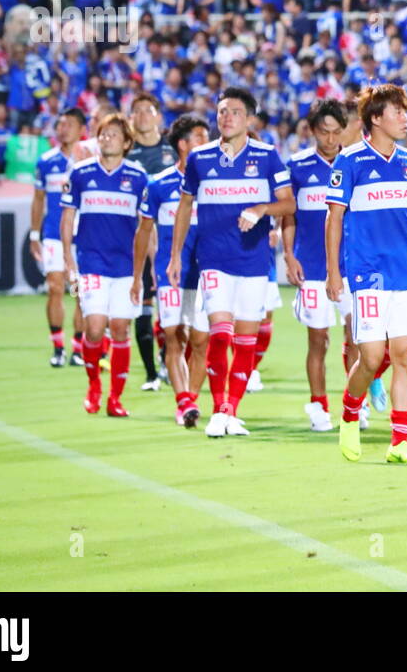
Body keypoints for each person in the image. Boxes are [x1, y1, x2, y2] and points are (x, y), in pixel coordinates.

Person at [326, 84, 407, 464]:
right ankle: (350, 411)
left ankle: (400, 440)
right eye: (398, 112)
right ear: (375, 119)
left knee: (404, 354)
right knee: (371, 356)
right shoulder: (349, 162)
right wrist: (334, 272)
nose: (405, 119)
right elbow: (334, 220)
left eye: (406, 112)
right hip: (367, 275)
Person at [168, 87, 296, 438]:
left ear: (249, 118)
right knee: (219, 336)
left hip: (255, 263)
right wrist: (176, 256)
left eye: (235, 111)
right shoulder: (199, 158)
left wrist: (261, 209)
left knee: (244, 340)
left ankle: (229, 410)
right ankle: (217, 408)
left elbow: (289, 204)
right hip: (213, 261)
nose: (226, 117)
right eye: (222, 111)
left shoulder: (268, 157)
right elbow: (183, 207)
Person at [61, 113, 150, 417]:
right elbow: (68, 217)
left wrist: (147, 270)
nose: (107, 138)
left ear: (126, 143)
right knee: (95, 329)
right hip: (91, 263)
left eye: (113, 134)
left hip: (126, 267)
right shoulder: (80, 173)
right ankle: (93, 385)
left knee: (121, 329)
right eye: (103, 134)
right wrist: (68, 261)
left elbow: (145, 227)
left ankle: (115, 398)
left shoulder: (138, 178)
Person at [133, 114, 210, 428]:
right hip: (171, 274)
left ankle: (191, 396)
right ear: (183, 145)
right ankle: (185, 403)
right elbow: (144, 230)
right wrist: (141, 274)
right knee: (173, 334)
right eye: (200, 138)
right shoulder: (159, 184)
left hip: (205, 271)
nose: (207, 144)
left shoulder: (214, 182)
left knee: (201, 339)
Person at [284, 99, 356, 432]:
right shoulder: (296, 166)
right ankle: (318, 405)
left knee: (357, 336)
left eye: (336, 132)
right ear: (313, 130)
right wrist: (289, 254)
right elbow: (288, 215)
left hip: (351, 266)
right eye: (324, 132)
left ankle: (357, 404)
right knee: (318, 340)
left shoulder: (353, 163)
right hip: (311, 267)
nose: (330, 138)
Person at [125, 92, 176, 390]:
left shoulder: (173, 149)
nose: (143, 116)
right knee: (143, 305)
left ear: (158, 116)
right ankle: (150, 374)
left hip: (173, 241)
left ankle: (168, 359)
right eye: (137, 111)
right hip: (141, 240)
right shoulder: (126, 154)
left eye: (148, 110)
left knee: (174, 307)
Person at [31, 107, 86, 367]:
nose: (63, 129)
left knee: (80, 293)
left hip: (82, 237)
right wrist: (34, 234)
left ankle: (78, 348)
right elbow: (38, 199)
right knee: (54, 287)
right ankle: (58, 347)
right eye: (60, 124)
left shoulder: (89, 162)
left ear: (81, 130)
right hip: (53, 234)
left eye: (69, 124)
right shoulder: (46, 161)